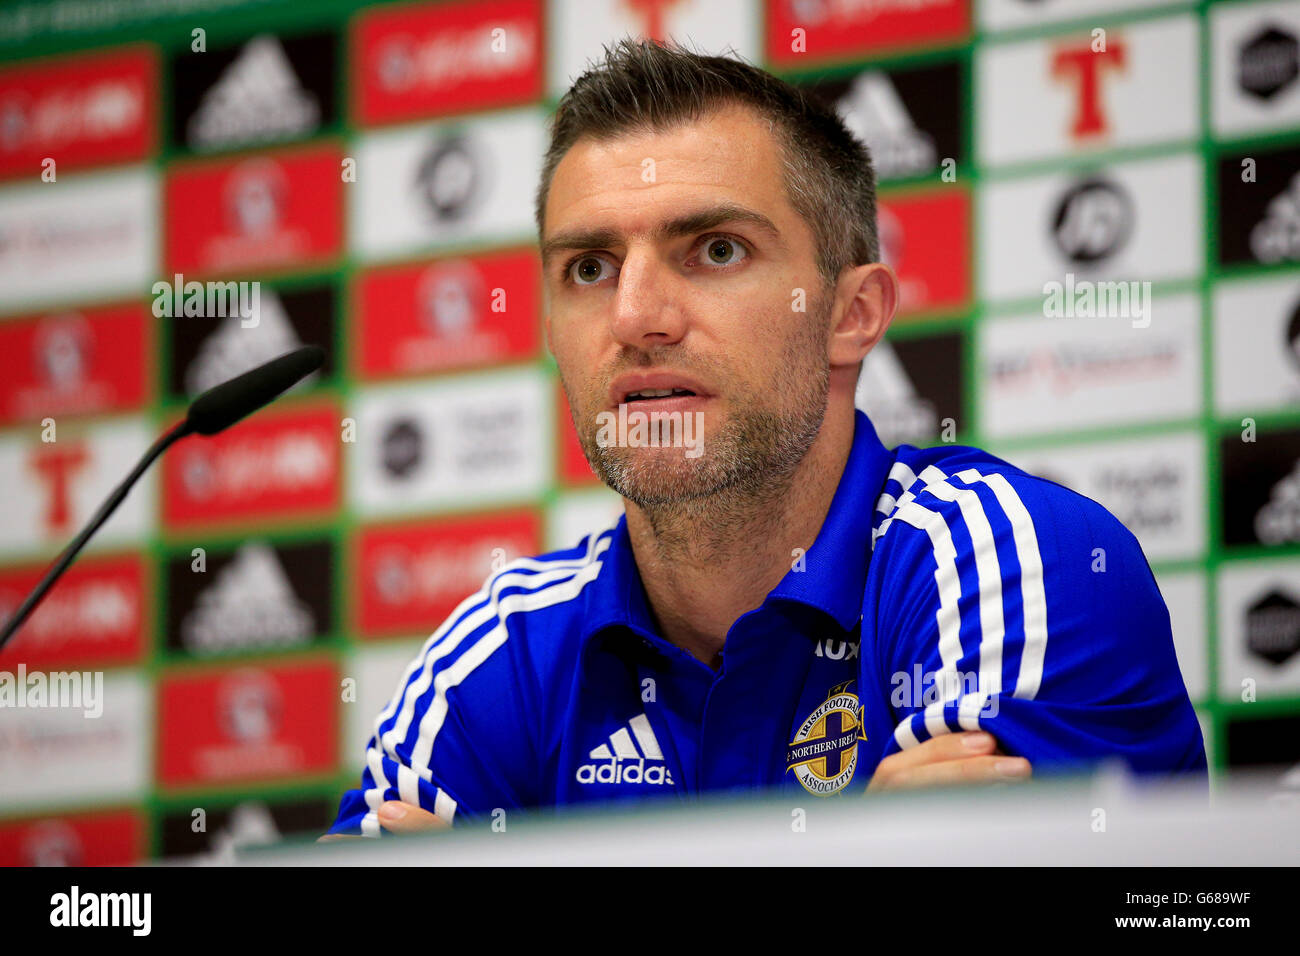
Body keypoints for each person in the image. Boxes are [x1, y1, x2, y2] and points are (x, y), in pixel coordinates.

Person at [323, 39, 1205, 840]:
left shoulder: (1011, 563)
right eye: (589, 268)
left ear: (851, 315)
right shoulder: (505, 652)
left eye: (714, 251)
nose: (635, 318)